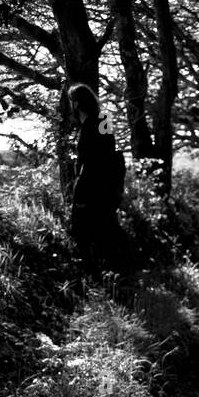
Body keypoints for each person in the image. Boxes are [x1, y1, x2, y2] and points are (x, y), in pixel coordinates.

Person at [67, 82, 125, 272]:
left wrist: (81, 194)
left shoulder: (92, 124)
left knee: (83, 232)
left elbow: (93, 163)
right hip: (108, 186)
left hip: (91, 186)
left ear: (75, 104)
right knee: (107, 230)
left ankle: (95, 277)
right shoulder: (104, 119)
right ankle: (116, 276)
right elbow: (110, 153)